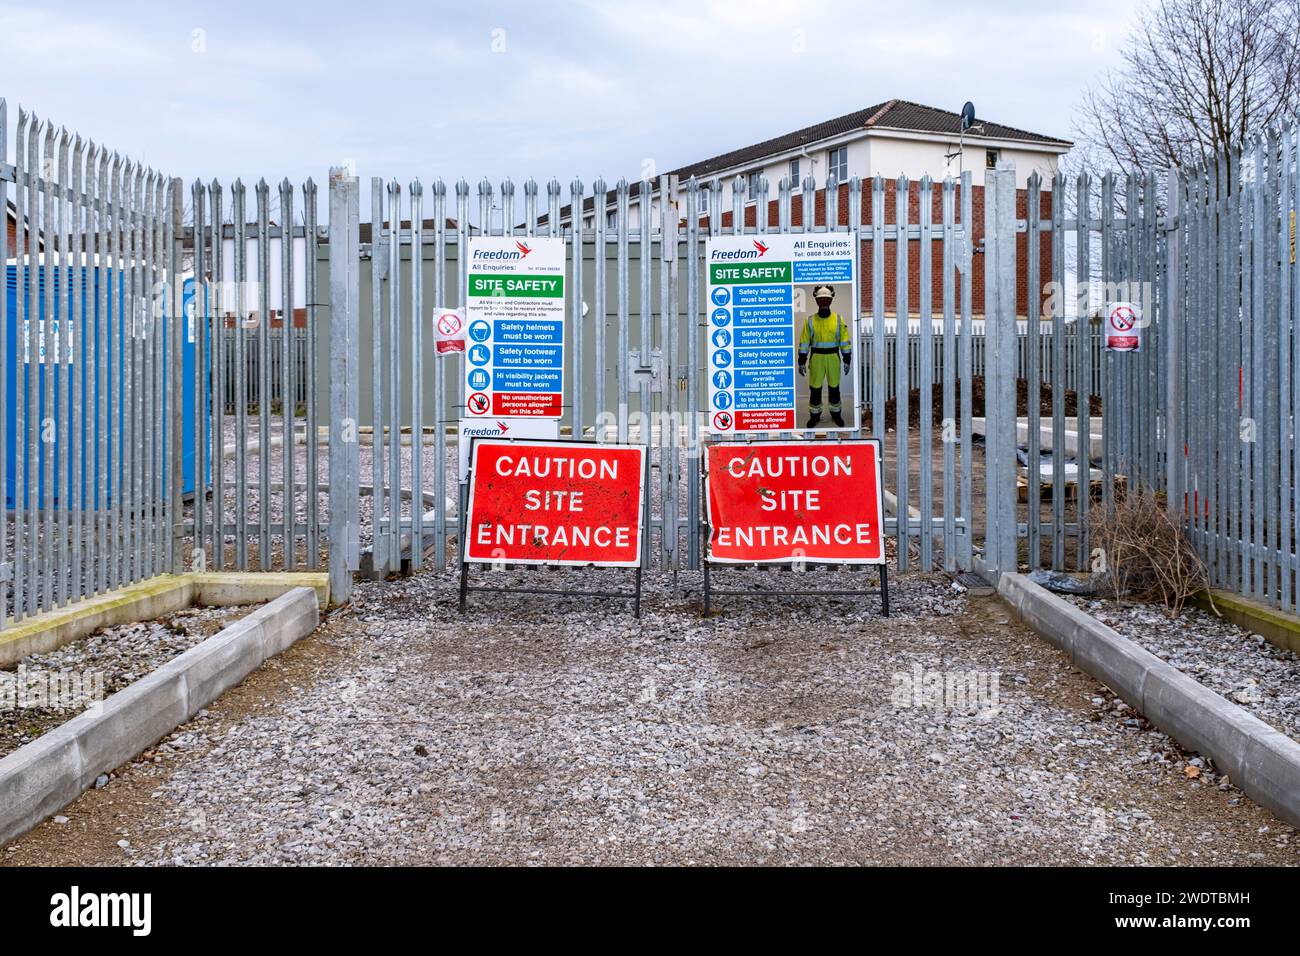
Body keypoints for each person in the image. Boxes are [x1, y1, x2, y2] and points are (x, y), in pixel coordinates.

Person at [797, 285, 853, 428]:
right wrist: (801, 361)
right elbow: (804, 342)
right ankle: (814, 416)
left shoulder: (838, 320)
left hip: (833, 357)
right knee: (815, 389)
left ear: (830, 300)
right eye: (820, 299)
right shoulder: (810, 321)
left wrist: (847, 359)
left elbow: (844, 342)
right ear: (816, 300)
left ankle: (836, 414)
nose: (823, 302)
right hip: (816, 359)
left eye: (825, 299)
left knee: (834, 388)